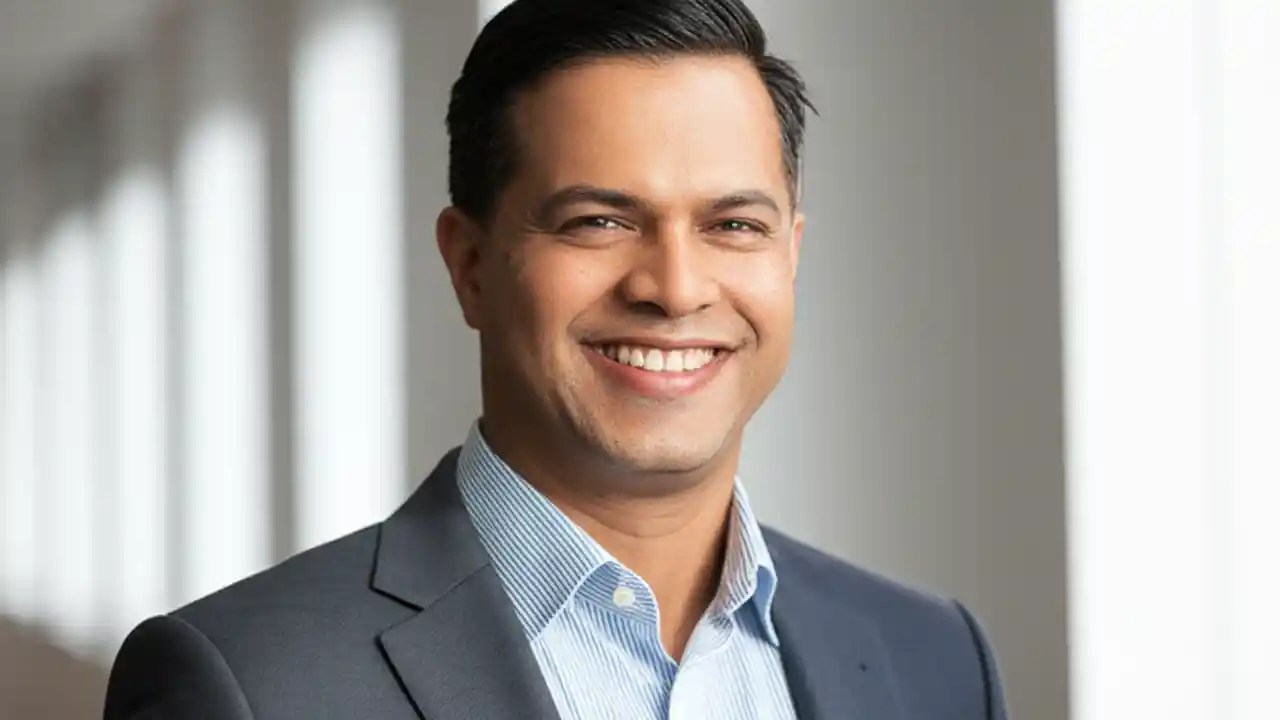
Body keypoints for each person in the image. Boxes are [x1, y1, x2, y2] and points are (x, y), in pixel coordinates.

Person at [104, 0, 1006, 717]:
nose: (676, 286)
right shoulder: (247, 686)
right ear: (470, 267)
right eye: (598, 222)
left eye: (733, 225)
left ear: (791, 255)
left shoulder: (933, 660)